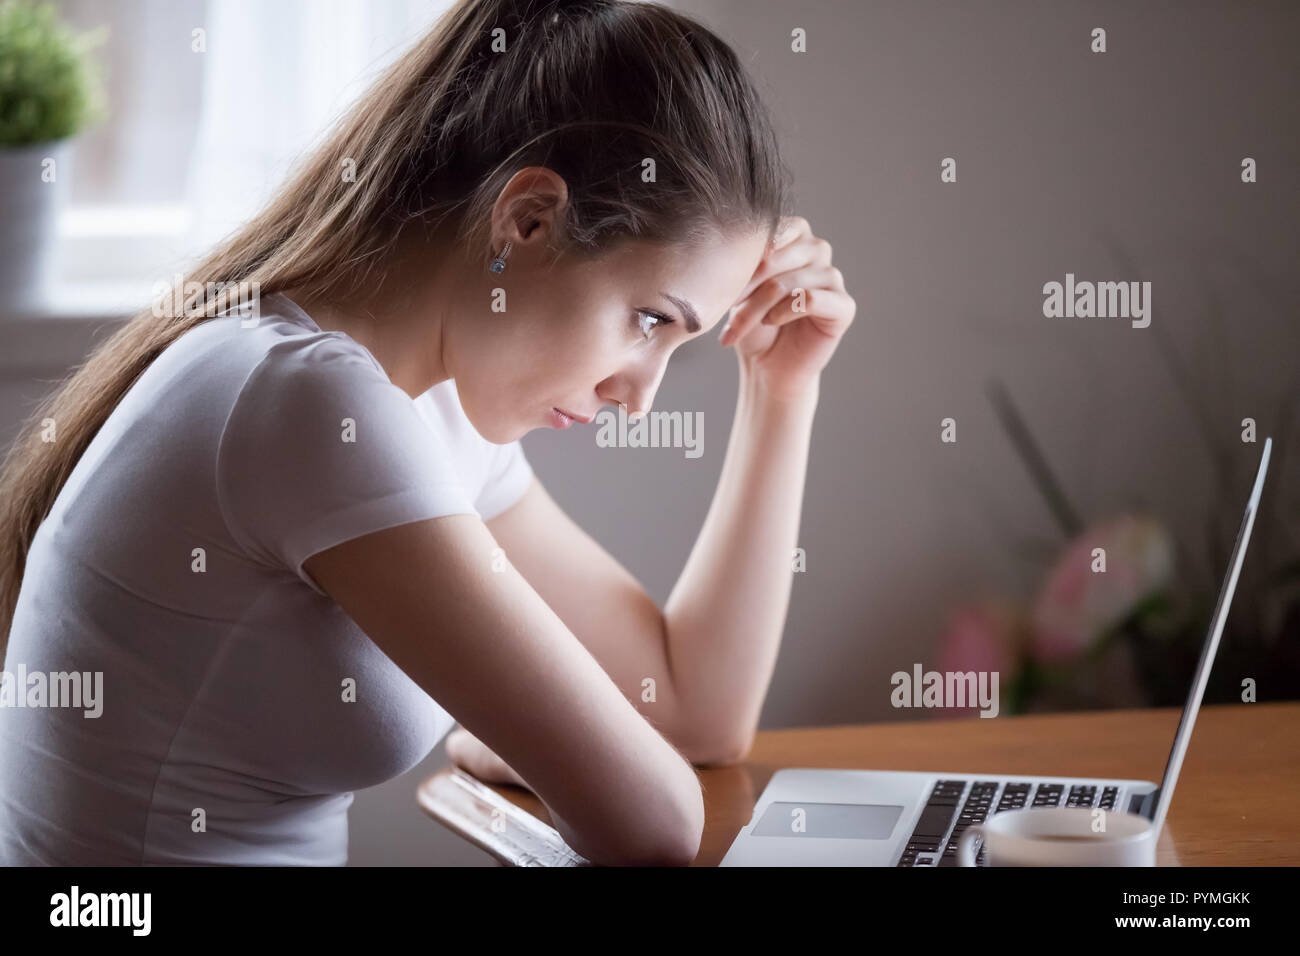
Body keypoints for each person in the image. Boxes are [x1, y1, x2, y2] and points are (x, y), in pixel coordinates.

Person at [0, 0, 854, 866]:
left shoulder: (432, 409)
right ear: (526, 222)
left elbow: (691, 712)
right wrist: (536, 737)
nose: (639, 396)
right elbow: (655, 829)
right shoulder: (313, 405)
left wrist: (783, 387)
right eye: (647, 318)